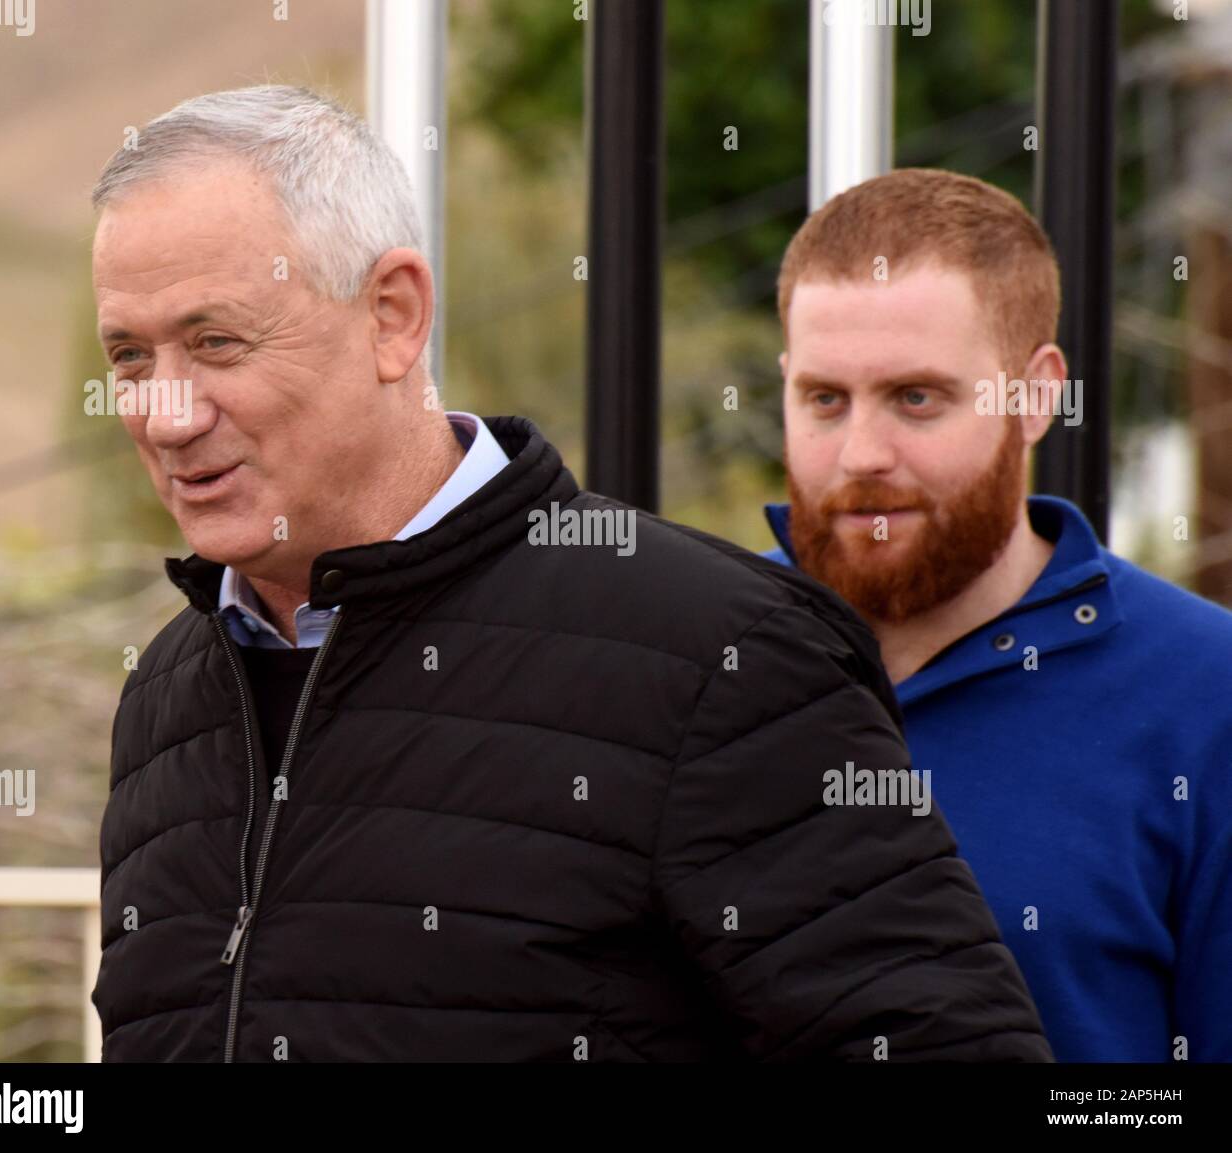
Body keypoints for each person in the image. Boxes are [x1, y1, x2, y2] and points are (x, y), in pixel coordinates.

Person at [89, 88, 1049, 1062]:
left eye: (217, 342)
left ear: (393, 315)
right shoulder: (168, 693)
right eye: (130, 357)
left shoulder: (718, 655)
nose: (167, 414)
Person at [762, 166, 1232, 1062]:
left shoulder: (1210, 698)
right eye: (825, 399)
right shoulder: (685, 660)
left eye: (916, 398)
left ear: (1037, 394)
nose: (862, 453)